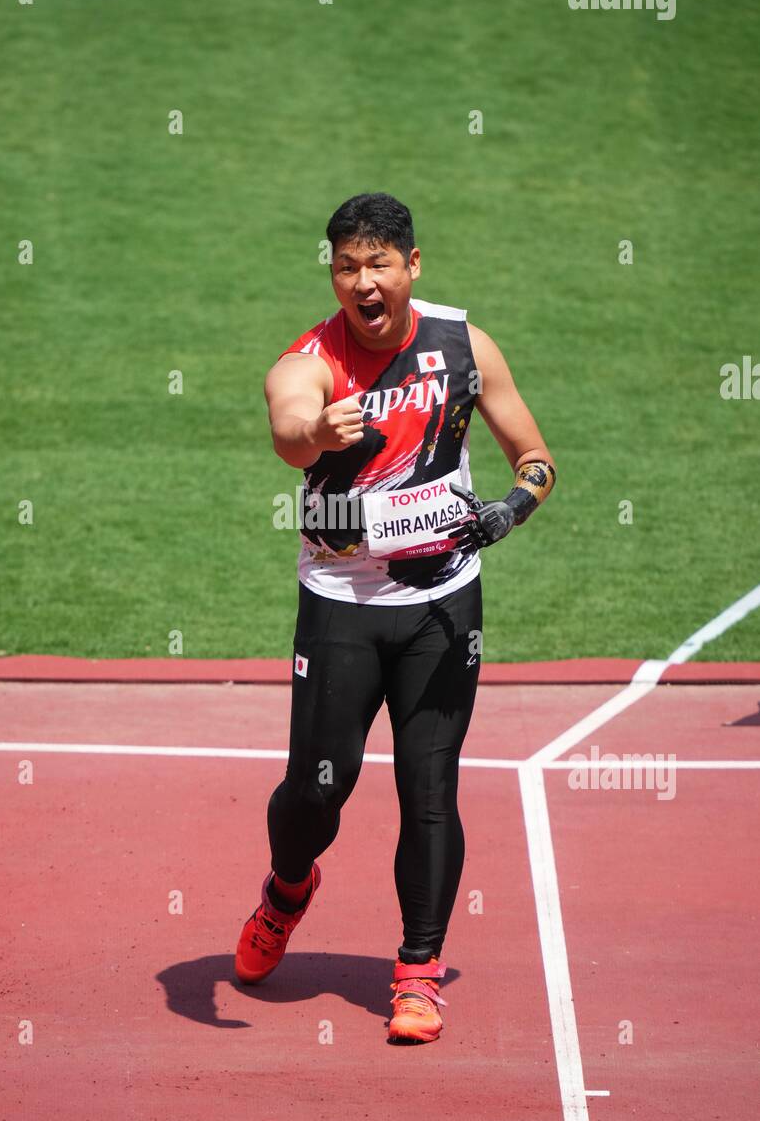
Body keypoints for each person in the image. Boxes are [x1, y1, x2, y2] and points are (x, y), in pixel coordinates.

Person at [234, 192, 556, 1044]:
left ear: (413, 265)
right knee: (318, 787)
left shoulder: (464, 347)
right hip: (342, 606)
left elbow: (537, 459)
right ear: (332, 274)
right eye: (346, 267)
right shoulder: (310, 362)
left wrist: (509, 510)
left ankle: (417, 972)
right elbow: (289, 430)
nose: (363, 283)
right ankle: (287, 889)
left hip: (442, 604)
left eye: (379, 264)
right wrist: (322, 433)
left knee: (430, 790)